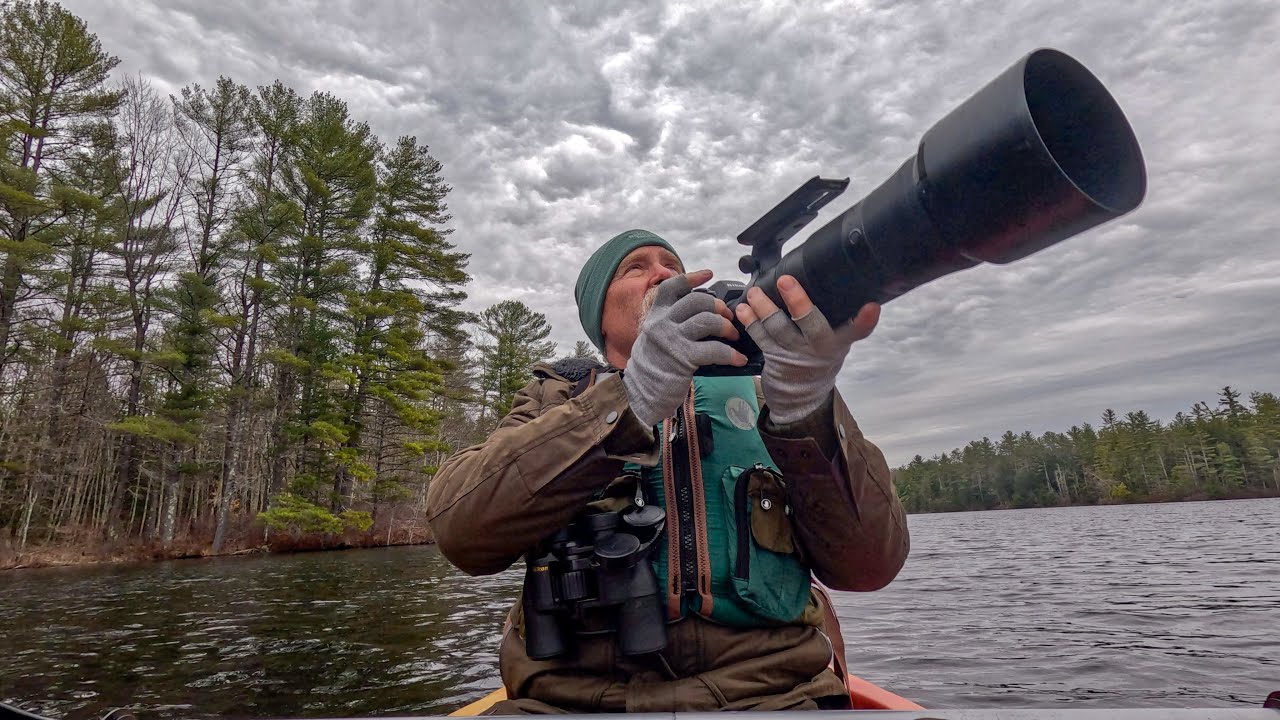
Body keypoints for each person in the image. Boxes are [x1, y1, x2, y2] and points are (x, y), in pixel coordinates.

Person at [426, 229, 908, 713]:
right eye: (635, 268)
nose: (662, 273)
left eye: (672, 266)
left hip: (773, 697)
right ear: (600, 317)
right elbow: (461, 531)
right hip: (570, 704)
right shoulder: (555, 400)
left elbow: (870, 565)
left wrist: (807, 406)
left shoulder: (776, 392)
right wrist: (627, 402)